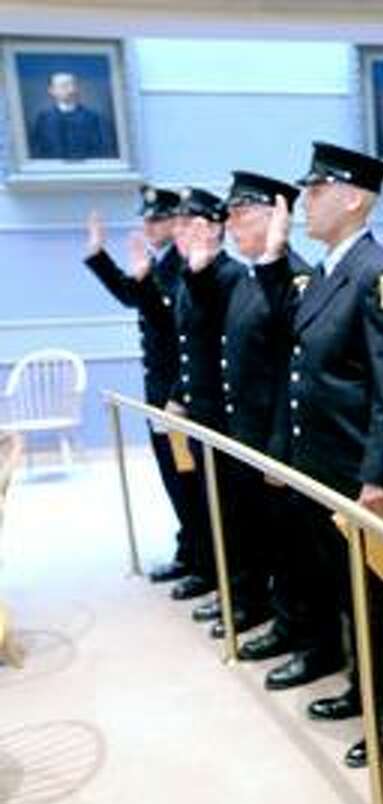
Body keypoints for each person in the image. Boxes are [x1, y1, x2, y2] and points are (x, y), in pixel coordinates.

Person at [253, 142, 383, 768]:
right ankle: (365, 687)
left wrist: (377, 474)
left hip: (360, 475)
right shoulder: (331, 271)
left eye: (316, 190)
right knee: (344, 591)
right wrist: (274, 255)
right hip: (322, 467)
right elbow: (292, 344)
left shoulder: (377, 273)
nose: (305, 201)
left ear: (353, 198)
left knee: (381, 601)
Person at [195, 170, 314, 640]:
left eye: (242, 215)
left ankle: (296, 629)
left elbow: (290, 371)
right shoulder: (249, 276)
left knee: (288, 546)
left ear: (275, 218)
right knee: (255, 531)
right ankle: (262, 608)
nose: (231, 225)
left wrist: (279, 448)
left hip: (272, 438)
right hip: (244, 432)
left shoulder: (293, 278)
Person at [84, 186, 195, 584]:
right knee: (173, 475)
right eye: (145, 219)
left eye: (157, 218)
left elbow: (170, 324)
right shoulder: (160, 261)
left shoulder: (186, 263)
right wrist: (98, 255)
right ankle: (190, 547)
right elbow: (133, 296)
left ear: (176, 220)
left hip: (179, 390)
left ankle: (200, 556)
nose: (148, 225)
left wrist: (144, 279)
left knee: (187, 478)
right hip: (159, 386)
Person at [157, 188, 246, 605]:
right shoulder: (191, 274)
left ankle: (238, 592)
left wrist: (199, 272)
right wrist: (179, 395)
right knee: (205, 502)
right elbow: (189, 347)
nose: (179, 231)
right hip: (197, 409)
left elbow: (218, 343)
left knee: (230, 510)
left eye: (188, 223)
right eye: (176, 223)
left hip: (222, 414)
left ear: (213, 228)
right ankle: (216, 576)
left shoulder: (228, 275)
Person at [29, 71, 116, 160]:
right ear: (51, 90)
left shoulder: (94, 118)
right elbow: (36, 151)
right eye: (64, 86)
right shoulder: (43, 119)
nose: (71, 90)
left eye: (73, 85)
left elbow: (105, 150)